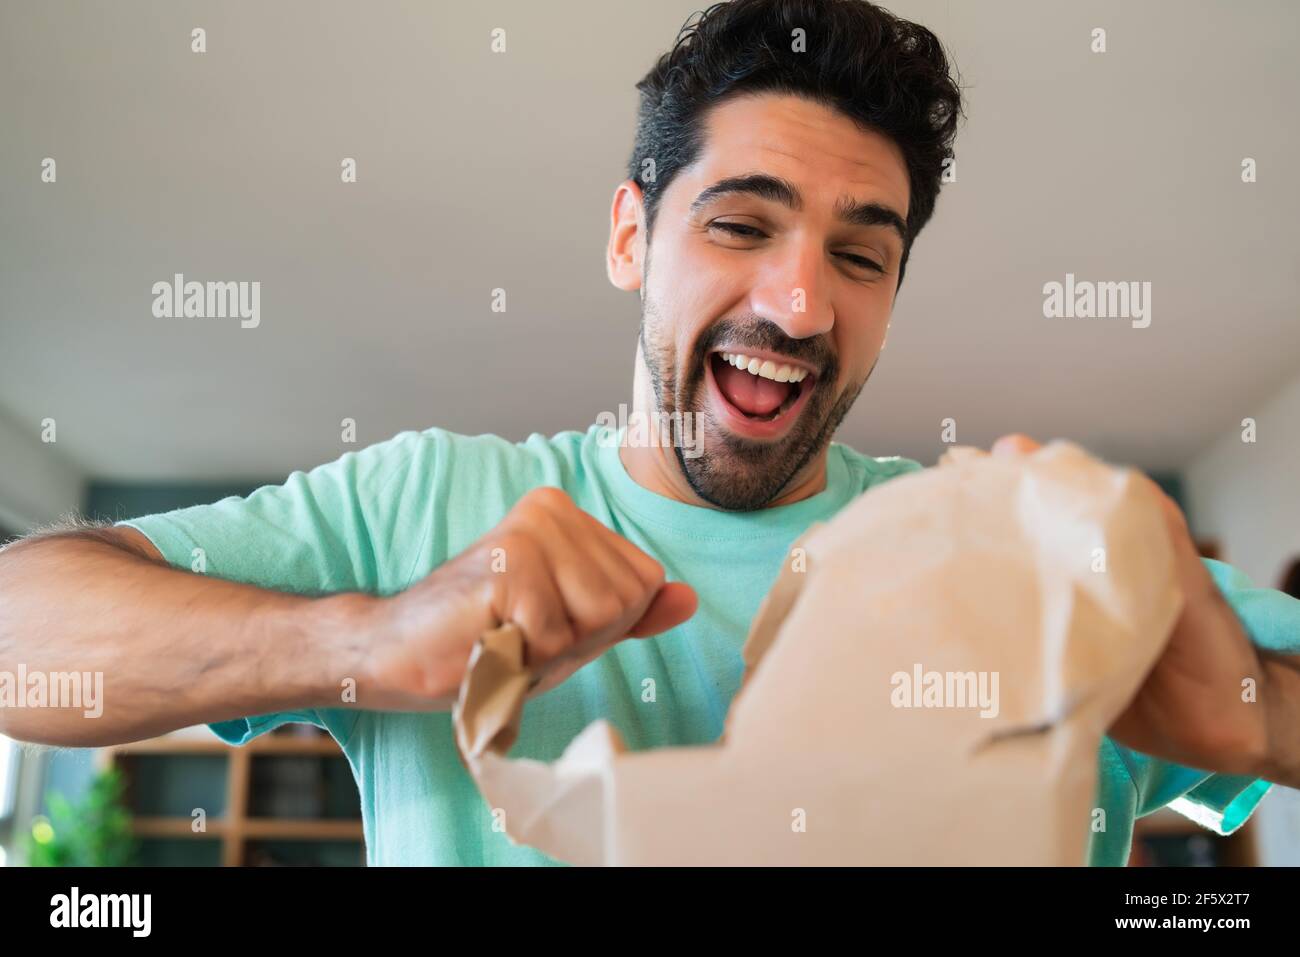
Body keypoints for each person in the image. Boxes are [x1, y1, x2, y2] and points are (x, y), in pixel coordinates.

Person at [3, 0, 1299, 866]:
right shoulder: (427, 510)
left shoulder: (1002, 547)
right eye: (742, 224)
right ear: (633, 235)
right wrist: (373, 638)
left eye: (861, 255)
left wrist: (1245, 722)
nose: (798, 304)